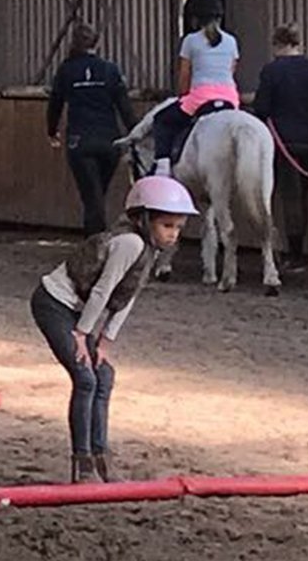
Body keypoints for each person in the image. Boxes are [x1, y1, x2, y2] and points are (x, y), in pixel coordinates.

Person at [29, 175, 197, 484]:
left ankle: (100, 456)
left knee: (104, 374)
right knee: (85, 377)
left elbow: (127, 296)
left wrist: (105, 341)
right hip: (55, 304)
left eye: (177, 228)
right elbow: (102, 292)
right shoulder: (130, 243)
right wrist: (81, 335)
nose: (173, 234)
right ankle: (83, 464)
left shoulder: (150, 249)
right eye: (167, 225)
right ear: (144, 219)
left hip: (79, 313)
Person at [250, 22, 308, 268]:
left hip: (282, 141)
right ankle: (297, 249)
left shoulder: (272, 71)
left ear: (277, 44)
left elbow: (262, 108)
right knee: (302, 196)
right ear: (299, 44)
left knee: (287, 196)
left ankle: (290, 251)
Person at [46, 22, 137, 236]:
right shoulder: (110, 70)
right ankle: (96, 240)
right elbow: (124, 107)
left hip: (80, 140)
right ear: (97, 43)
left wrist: (52, 130)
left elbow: (55, 104)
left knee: (92, 197)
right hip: (109, 141)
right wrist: (135, 133)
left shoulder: (66, 70)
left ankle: (95, 244)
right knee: (97, 195)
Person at [150, 0, 241, 177]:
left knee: (161, 120)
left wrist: (183, 96)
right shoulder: (231, 41)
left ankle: (163, 166)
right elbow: (231, 70)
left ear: (196, 19)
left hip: (200, 99)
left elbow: (184, 75)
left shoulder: (190, 41)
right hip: (230, 99)